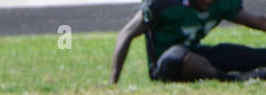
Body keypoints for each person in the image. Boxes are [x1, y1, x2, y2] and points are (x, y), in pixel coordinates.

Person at [112, 0, 266, 82]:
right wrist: (114, 81)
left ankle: (256, 72)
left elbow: (259, 22)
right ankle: (233, 79)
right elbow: (125, 34)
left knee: (235, 53)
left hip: (197, 54)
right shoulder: (165, 4)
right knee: (180, 55)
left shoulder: (219, 3)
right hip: (166, 64)